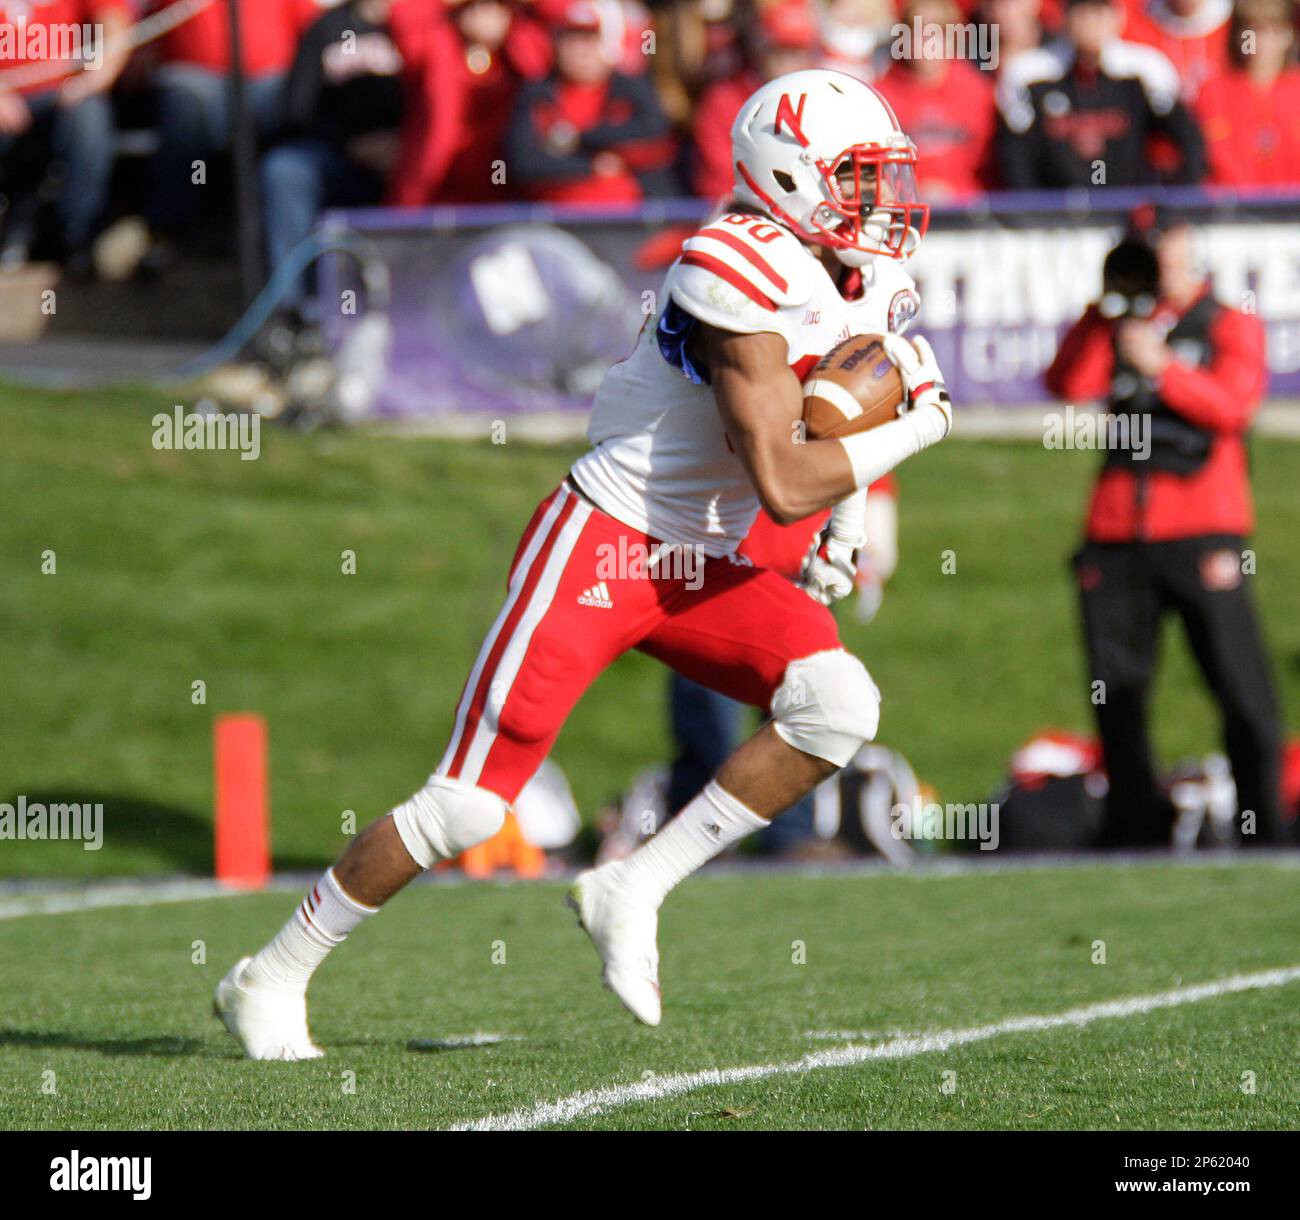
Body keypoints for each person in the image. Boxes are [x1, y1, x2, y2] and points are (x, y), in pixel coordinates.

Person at [215, 67, 954, 1056]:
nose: (878, 200)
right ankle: (272, 972)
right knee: (469, 803)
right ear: (785, 176)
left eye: (880, 175)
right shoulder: (731, 265)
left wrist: (851, 526)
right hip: (603, 537)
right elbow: (782, 473)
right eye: (856, 177)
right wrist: (920, 429)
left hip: (699, 560)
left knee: (837, 706)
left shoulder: (866, 273)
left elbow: (835, 402)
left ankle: (631, 881)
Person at [1044, 207, 1283, 847]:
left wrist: (1164, 367)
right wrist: (1108, 312)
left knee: (1240, 685)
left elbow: (1234, 405)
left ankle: (1267, 828)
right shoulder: (1121, 323)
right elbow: (1066, 385)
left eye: (1164, 249)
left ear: (1188, 249)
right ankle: (1135, 834)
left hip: (1203, 529)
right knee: (1116, 694)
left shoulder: (1229, 322)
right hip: (1118, 533)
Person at [261, 0, 407, 317]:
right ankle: (292, 315)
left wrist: (405, 143)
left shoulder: (422, 24)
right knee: (285, 170)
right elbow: (296, 111)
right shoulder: (326, 27)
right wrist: (350, 145)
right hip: (340, 157)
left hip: (412, 159)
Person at [141, 0, 309, 271]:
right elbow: (148, 30)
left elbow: (313, 30)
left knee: (295, 105)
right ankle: (169, 237)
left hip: (270, 85)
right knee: (186, 102)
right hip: (196, 83)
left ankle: (274, 250)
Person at [996, 0, 1207, 187]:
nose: (1090, 23)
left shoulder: (1145, 69)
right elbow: (1015, 154)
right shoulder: (1031, 73)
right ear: (1065, 17)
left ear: (1116, 17)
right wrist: (1034, 212)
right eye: (1082, 12)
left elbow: (1187, 136)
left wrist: (1172, 205)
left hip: (1128, 214)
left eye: (1098, 11)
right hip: (1056, 214)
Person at [0, 0, 131, 271]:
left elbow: (115, 25)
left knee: (90, 117)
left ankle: (76, 240)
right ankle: (16, 233)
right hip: (8, 101)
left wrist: (91, 81)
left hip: (65, 99)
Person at [504, 1, 675, 203]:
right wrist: (590, 165)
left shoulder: (630, 90)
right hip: (553, 215)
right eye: (571, 41)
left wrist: (579, 137)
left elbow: (655, 139)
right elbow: (523, 161)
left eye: (589, 41)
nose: (580, 51)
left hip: (628, 217)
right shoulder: (537, 94)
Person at [387, 0, 551, 205]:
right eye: (472, 6)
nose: (483, 13)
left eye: (495, 6)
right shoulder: (436, 46)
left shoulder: (521, 51)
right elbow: (405, 16)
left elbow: (557, 15)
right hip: (434, 190)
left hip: (501, 190)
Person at [691, 0, 819, 199]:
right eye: (780, 51)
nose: (789, 62)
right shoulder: (724, 99)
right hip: (744, 210)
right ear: (761, 50)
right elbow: (721, 176)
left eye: (797, 52)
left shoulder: (818, 98)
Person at [874, 0, 997, 199]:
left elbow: (989, 164)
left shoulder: (978, 91)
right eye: (917, 34)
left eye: (936, 35)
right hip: (904, 211)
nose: (927, 45)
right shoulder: (880, 97)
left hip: (969, 212)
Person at [1195, 0, 1300, 187]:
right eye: (1251, 33)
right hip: (1230, 210)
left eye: (1273, 32)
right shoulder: (1213, 92)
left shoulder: (1295, 89)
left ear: (1289, 35)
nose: (1261, 43)